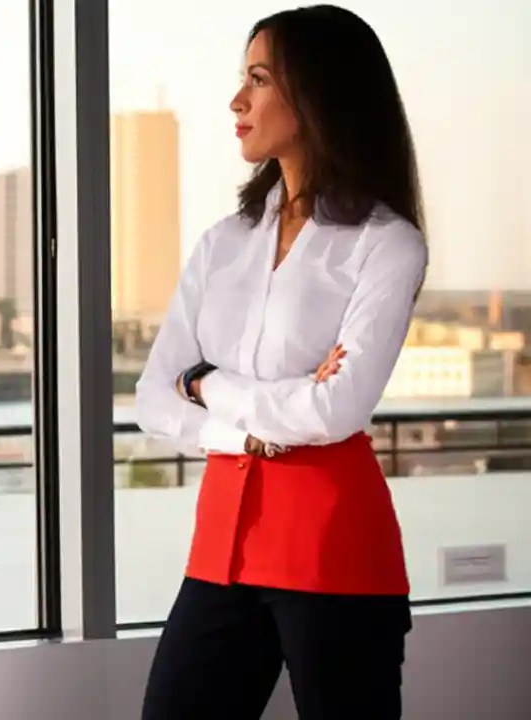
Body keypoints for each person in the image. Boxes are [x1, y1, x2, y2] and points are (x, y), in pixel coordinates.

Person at [135, 5, 426, 719]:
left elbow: (338, 409)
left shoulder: (385, 244)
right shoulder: (223, 243)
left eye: (259, 79)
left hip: (334, 548)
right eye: (244, 78)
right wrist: (245, 428)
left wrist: (207, 385)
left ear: (318, 93)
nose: (238, 100)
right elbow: (151, 397)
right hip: (222, 547)